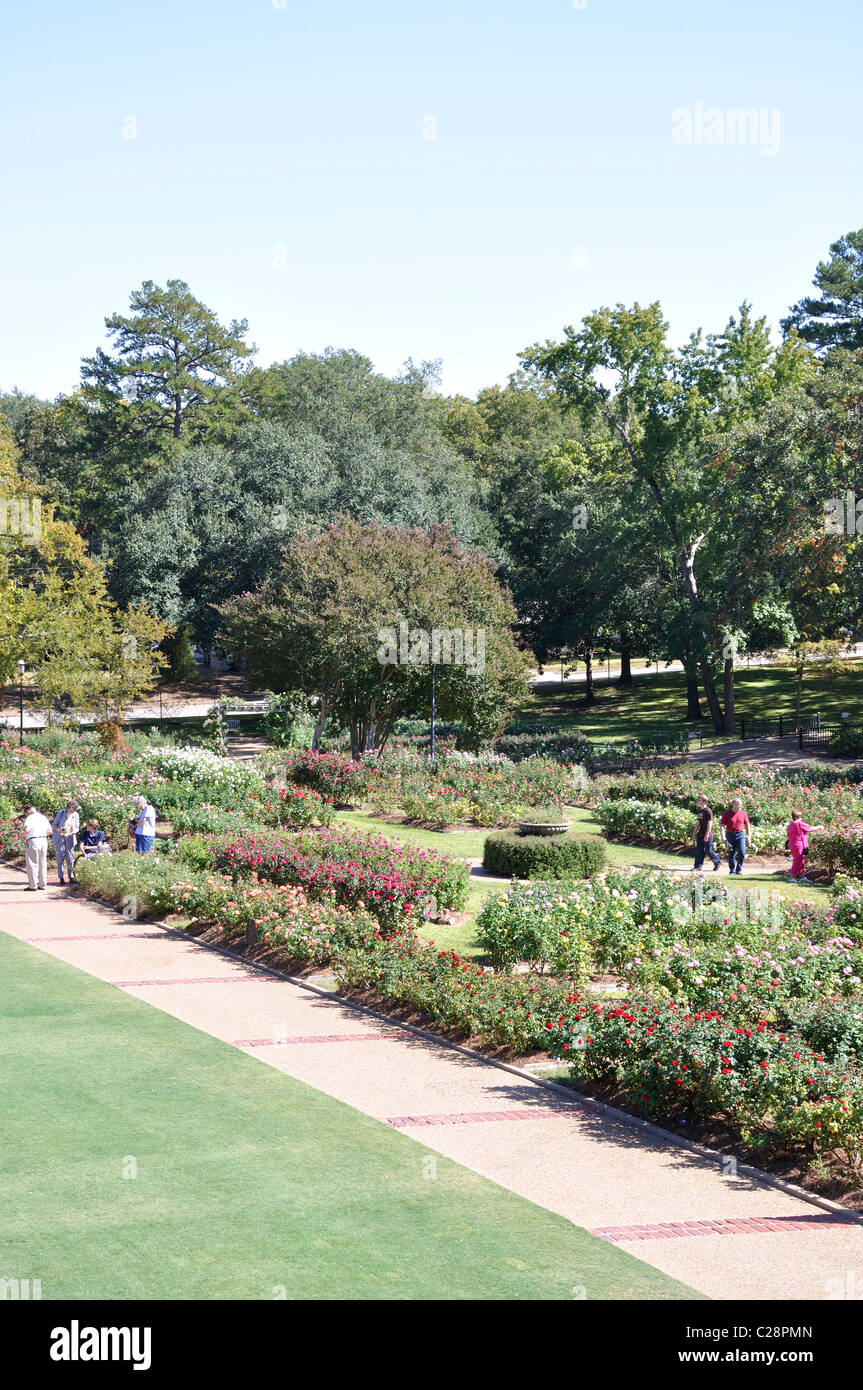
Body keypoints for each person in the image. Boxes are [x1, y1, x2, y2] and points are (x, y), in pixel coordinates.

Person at [786, 812, 824, 883]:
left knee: (801, 860)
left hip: (792, 844)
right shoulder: (800, 823)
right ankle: (791, 878)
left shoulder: (790, 825)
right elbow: (810, 828)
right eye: (800, 816)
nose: (801, 818)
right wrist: (819, 827)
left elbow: (789, 835)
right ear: (798, 817)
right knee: (797, 861)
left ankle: (802, 877)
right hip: (798, 844)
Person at [23, 805, 52, 891]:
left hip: (33, 840)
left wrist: (27, 833)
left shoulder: (29, 818)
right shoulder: (43, 817)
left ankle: (33, 885)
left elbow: (26, 830)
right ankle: (43, 885)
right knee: (42, 863)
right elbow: (50, 831)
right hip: (43, 840)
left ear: (27, 811)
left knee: (32, 863)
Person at [51, 798, 81, 885]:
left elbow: (76, 827)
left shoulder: (76, 815)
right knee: (60, 857)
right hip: (60, 837)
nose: (71, 812)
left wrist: (73, 832)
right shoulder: (61, 813)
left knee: (70, 858)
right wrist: (59, 830)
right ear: (67, 808)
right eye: (70, 810)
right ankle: (61, 877)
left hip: (70, 837)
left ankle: (71, 876)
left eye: (73, 810)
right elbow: (54, 825)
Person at [720, 797, 751, 876]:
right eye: (737, 803)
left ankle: (739, 870)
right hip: (730, 834)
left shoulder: (743, 813)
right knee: (731, 853)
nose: (739, 805)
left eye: (740, 803)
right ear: (733, 804)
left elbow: (747, 824)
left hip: (740, 834)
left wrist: (749, 836)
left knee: (742, 852)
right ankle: (732, 871)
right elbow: (722, 825)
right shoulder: (727, 813)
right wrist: (723, 836)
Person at [692, 794, 722, 873]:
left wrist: (707, 835)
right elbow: (698, 822)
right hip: (700, 834)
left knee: (708, 850)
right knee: (699, 850)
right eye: (698, 800)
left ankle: (717, 862)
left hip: (707, 834)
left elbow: (710, 823)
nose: (698, 801)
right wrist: (694, 833)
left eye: (700, 800)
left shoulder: (708, 811)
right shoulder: (700, 811)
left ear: (704, 802)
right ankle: (697, 866)